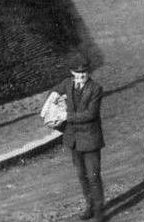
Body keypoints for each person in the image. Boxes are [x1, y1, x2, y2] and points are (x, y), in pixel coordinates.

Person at [49, 57, 105, 221]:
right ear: (72, 73)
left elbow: (90, 114)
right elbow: (54, 92)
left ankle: (99, 212)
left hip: (90, 139)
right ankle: (90, 206)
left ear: (89, 72)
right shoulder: (67, 83)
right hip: (73, 140)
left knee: (93, 176)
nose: (81, 76)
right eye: (78, 73)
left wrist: (66, 115)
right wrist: (53, 99)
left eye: (84, 73)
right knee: (81, 175)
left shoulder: (96, 89)